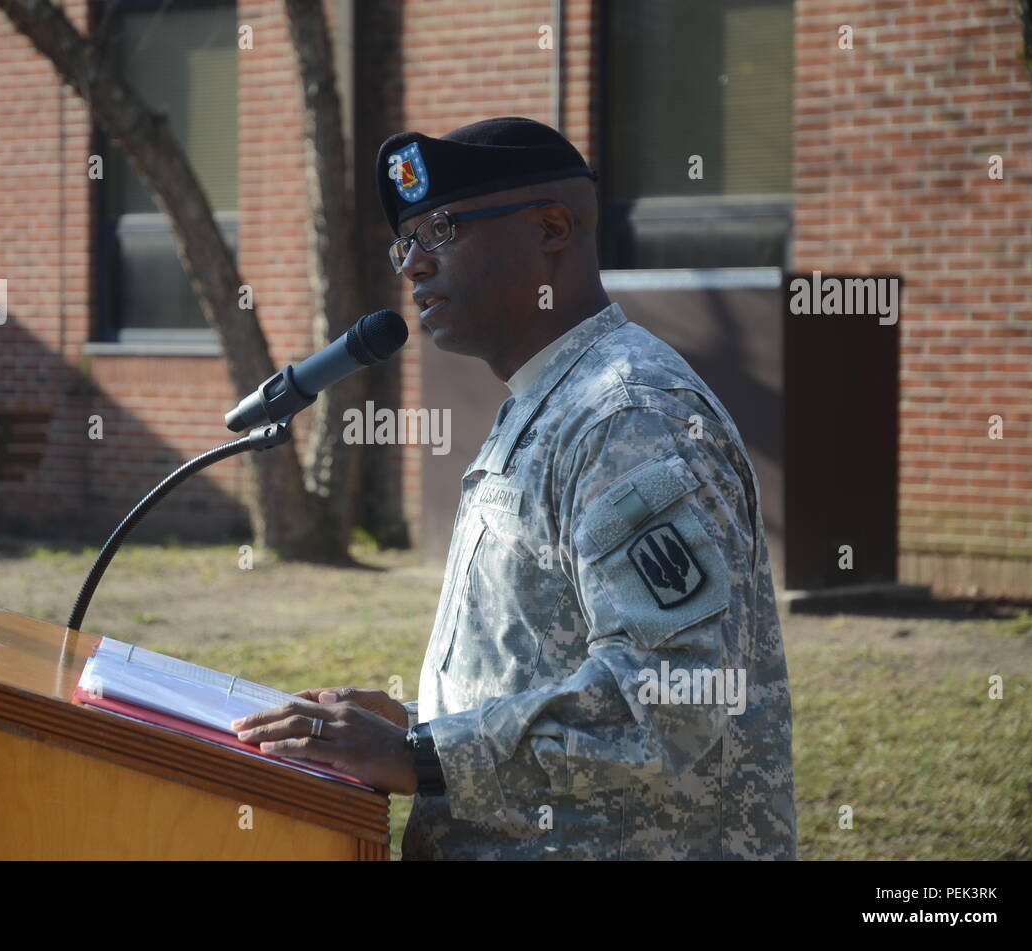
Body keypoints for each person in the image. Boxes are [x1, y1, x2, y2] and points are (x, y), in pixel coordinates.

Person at [230, 116, 797, 860]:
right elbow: (548, 667)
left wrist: (424, 756)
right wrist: (412, 726)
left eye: (439, 231)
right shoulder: (549, 402)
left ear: (553, 227)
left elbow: (676, 696)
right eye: (407, 243)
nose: (413, 266)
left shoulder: (628, 414)